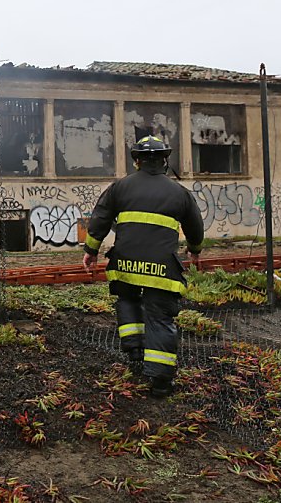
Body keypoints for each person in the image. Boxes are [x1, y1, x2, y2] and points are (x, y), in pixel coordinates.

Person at [82, 135, 204, 398]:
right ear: (164, 161)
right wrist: (194, 251)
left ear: (136, 160)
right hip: (161, 270)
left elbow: (100, 218)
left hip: (125, 264)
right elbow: (195, 228)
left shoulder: (119, 187)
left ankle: (135, 351)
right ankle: (160, 382)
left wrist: (91, 251)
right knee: (159, 318)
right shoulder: (180, 193)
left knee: (127, 300)